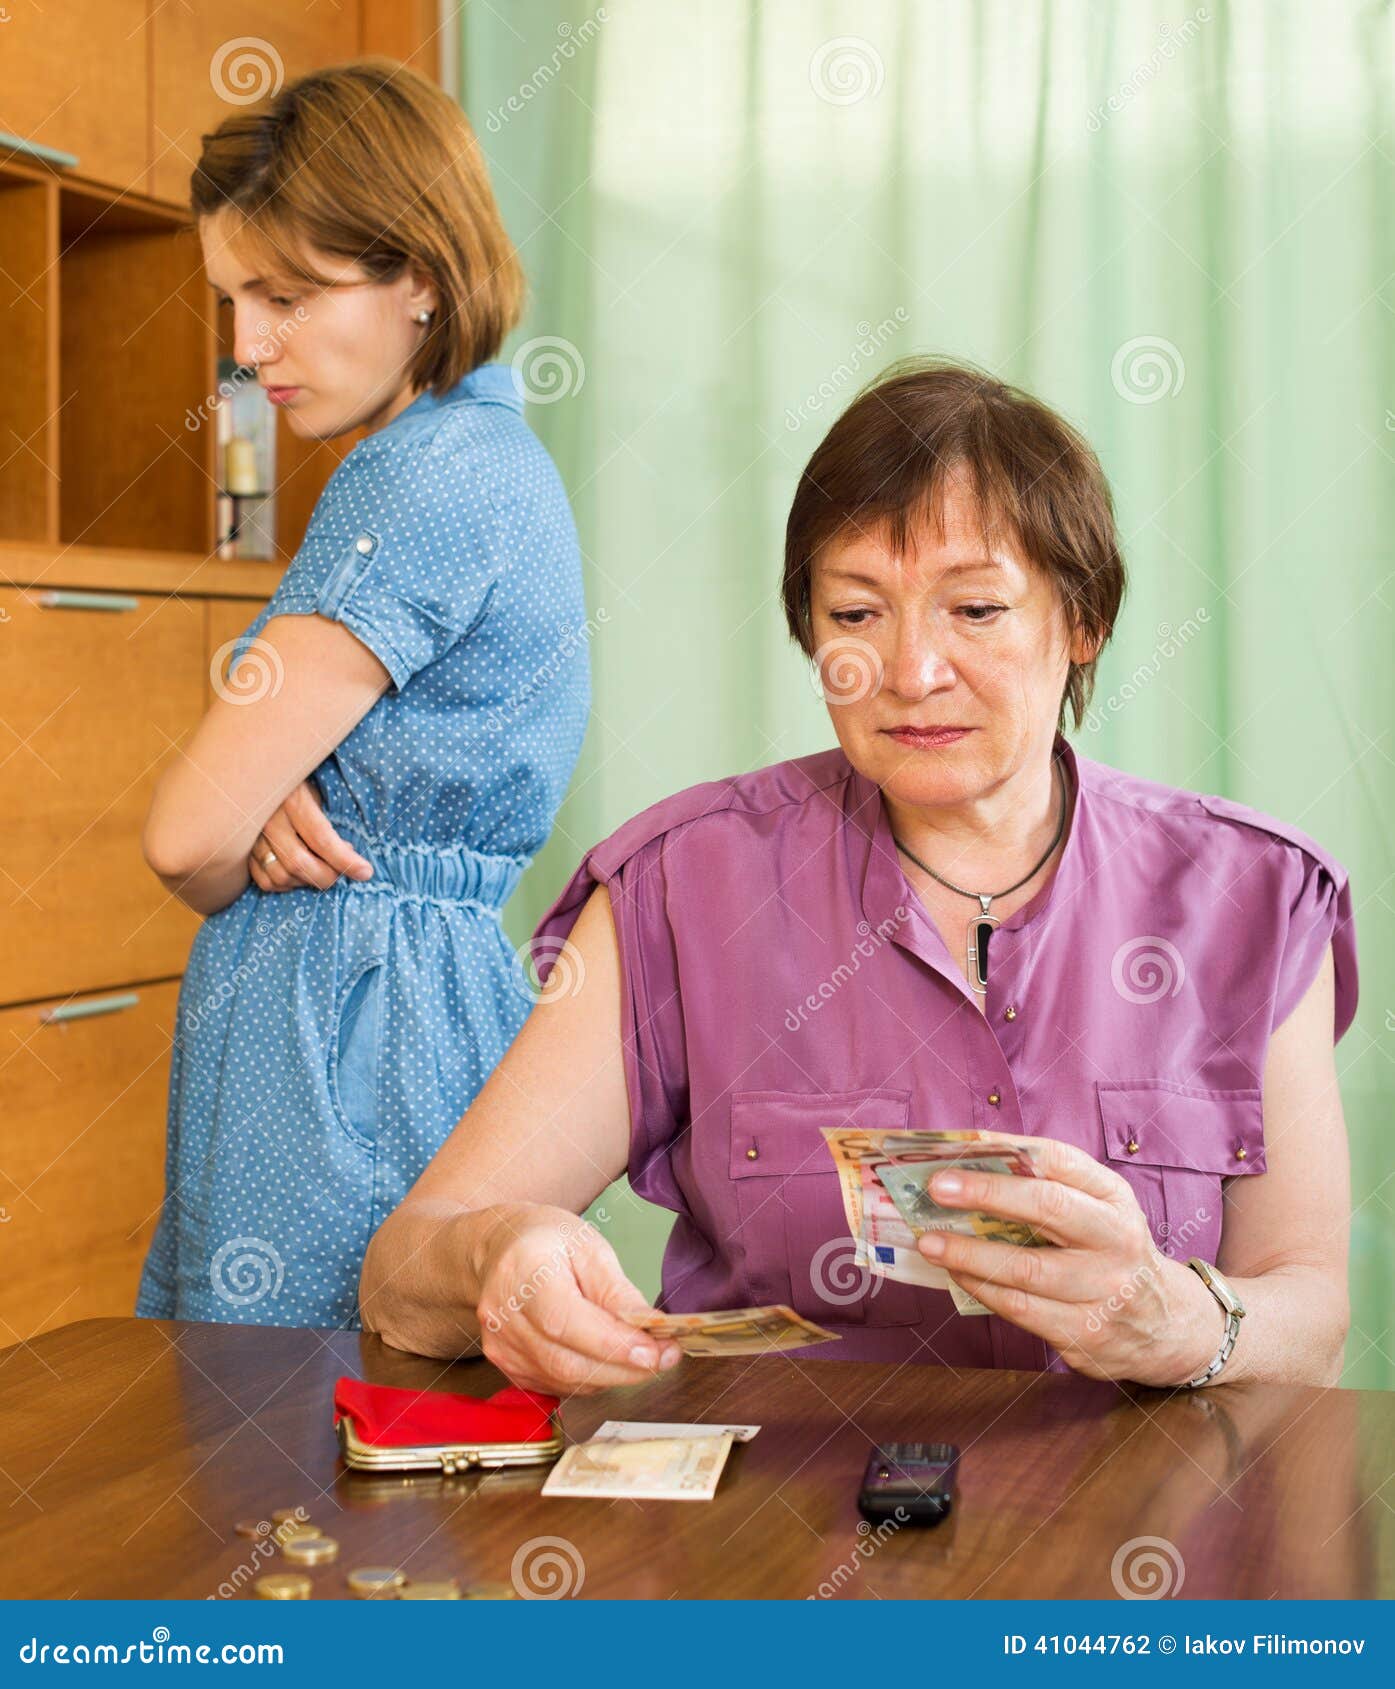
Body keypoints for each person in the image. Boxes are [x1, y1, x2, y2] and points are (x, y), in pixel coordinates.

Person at [359, 358, 1357, 1395]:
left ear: (1083, 621)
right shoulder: (678, 887)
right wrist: (497, 1260)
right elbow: (401, 1273)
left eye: (974, 609)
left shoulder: (1254, 893)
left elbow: (1311, 1309)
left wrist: (1180, 1321)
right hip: (778, 1538)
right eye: (856, 614)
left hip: (1138, 1536)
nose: (911, 671)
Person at [136, 60, 589, 1327]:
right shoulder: (487, 457)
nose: (247, 347)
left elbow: (185, 832)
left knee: (296, 1463)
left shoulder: (415, 478)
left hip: (345, 1038)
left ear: (423, 280)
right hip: (391, 1004)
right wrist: (266, 779)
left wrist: (249, 794)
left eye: (287, 295)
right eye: (231, 299)